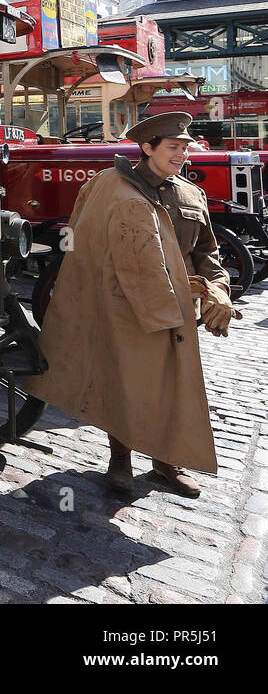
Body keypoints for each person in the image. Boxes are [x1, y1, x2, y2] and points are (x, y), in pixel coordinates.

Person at [26, 111, 234, 499]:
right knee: (121, 380)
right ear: (148, 148)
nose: (181, 156)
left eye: (185, 148)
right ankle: (119, 458)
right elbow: (81, 243)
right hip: (121, 309)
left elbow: (208, 252)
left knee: (172, 386)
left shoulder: (191, 194)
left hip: (177, 310)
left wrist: (219, 288)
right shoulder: (108, 186)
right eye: (173, 148)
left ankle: (165, 461)